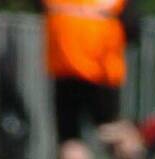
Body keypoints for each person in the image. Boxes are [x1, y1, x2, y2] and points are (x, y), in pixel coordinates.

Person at [41, 0, 140, 143]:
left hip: (96, 72)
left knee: (100, 134)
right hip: (81, 72)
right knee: (103, 133)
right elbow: (133, 26)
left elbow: (132, 25)